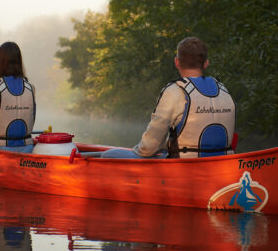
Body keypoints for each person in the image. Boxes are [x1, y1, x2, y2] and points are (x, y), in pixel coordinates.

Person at [101, 36, 236, 159]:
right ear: (206, 63)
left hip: (185, 167)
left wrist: (140, 150)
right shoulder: (224, 90)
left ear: (177, 62)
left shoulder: (175, 91)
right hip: (221, 164)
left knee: (108, 155)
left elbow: (147, 149)